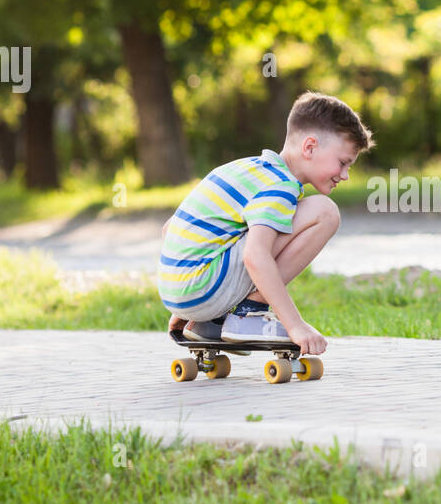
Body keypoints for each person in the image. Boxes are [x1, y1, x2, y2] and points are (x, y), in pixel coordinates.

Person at [159, 91, 374, 356]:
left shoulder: (246, 169)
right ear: (309, 147)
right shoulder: (280, 186)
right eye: (343, 163)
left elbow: (171, 227)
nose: (345, 175)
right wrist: (295, 326)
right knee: (325, 212)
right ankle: (249, 315)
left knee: (257, 231)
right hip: (202, 289)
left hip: (179, 291)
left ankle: (211, 321)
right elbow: (255, 256)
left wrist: (185, 303)